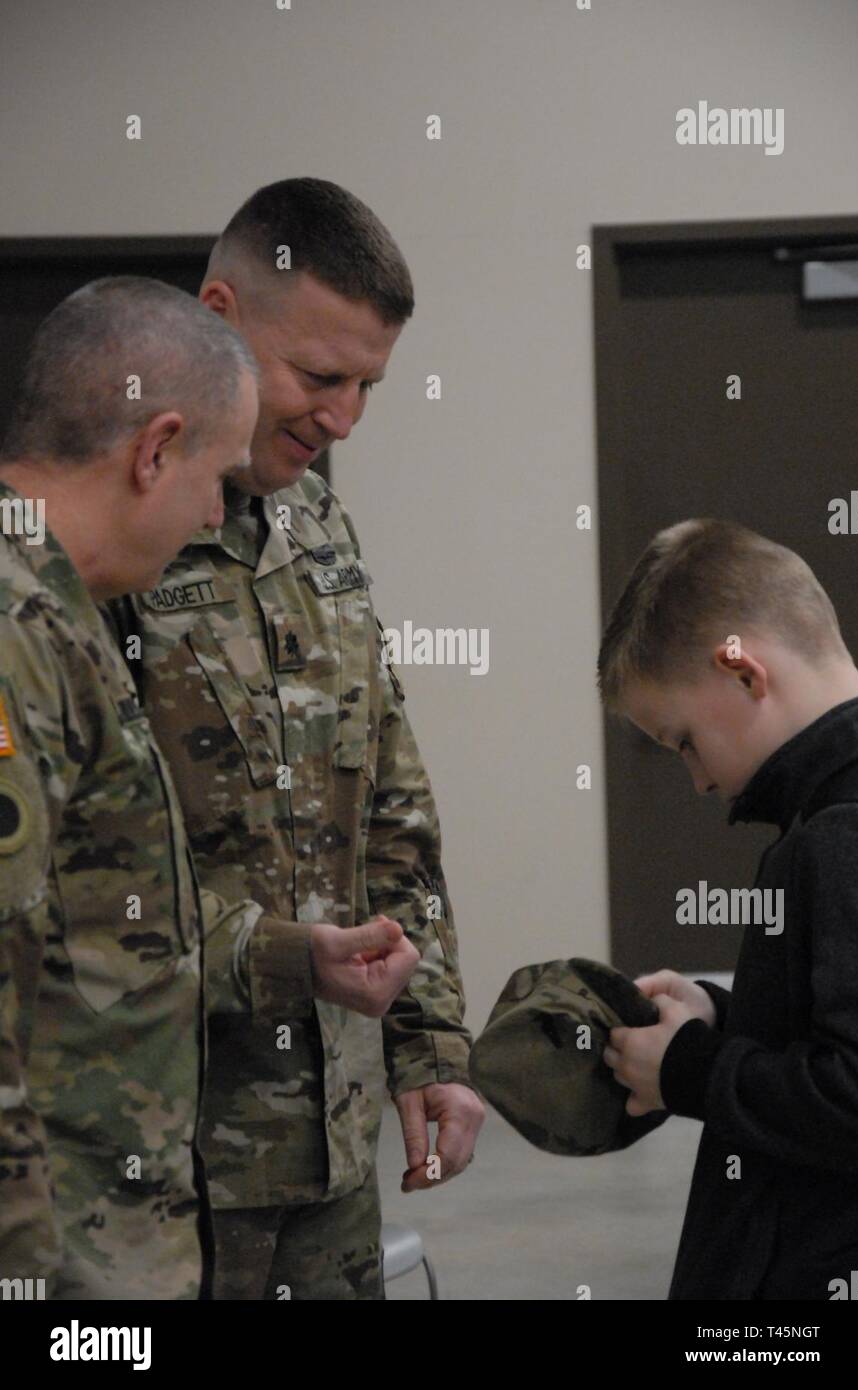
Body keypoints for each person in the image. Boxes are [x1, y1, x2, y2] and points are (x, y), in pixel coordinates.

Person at [0, 276, 418, 1300]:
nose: (211, 512)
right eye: (215, 479)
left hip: (117, 1231)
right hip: (67, 1255)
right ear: (156, 451)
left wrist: (286, 954)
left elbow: (93, 927)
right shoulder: (17, 628)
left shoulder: (61, 610)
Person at [110, 179, 485, 1300]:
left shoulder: (317, 520)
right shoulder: (103, 535)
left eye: (367, 384)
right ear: (217, 314)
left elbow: (392, 801)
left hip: (333, 1141)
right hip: (160, 1156)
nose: (343, 420)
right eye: (320, 378)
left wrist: (430, 1045)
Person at [596, 517, 858, 1300]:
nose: (698, 782)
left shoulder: (842, 835)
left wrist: (689, 1069)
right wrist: (727, 1017)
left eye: (682, 741)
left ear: (743, 671)